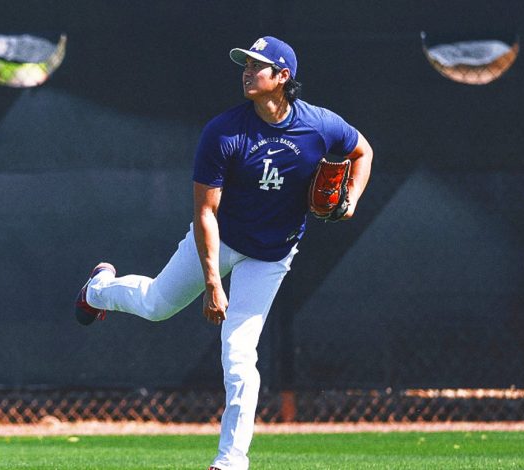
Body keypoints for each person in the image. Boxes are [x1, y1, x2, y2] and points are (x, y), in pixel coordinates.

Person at [75, 36, 373, 470]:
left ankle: (230, 461)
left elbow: (362, 150)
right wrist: (213, 283)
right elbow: (205, 213)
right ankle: (98, 289)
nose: (247, 72)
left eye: (257, 66)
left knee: (238, 356)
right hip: (221, 238)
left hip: (270, 255)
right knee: (156, 305)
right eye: (245, 65)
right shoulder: (224, 132)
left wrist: (352, 199)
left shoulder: (319, 125)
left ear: (282, 76)